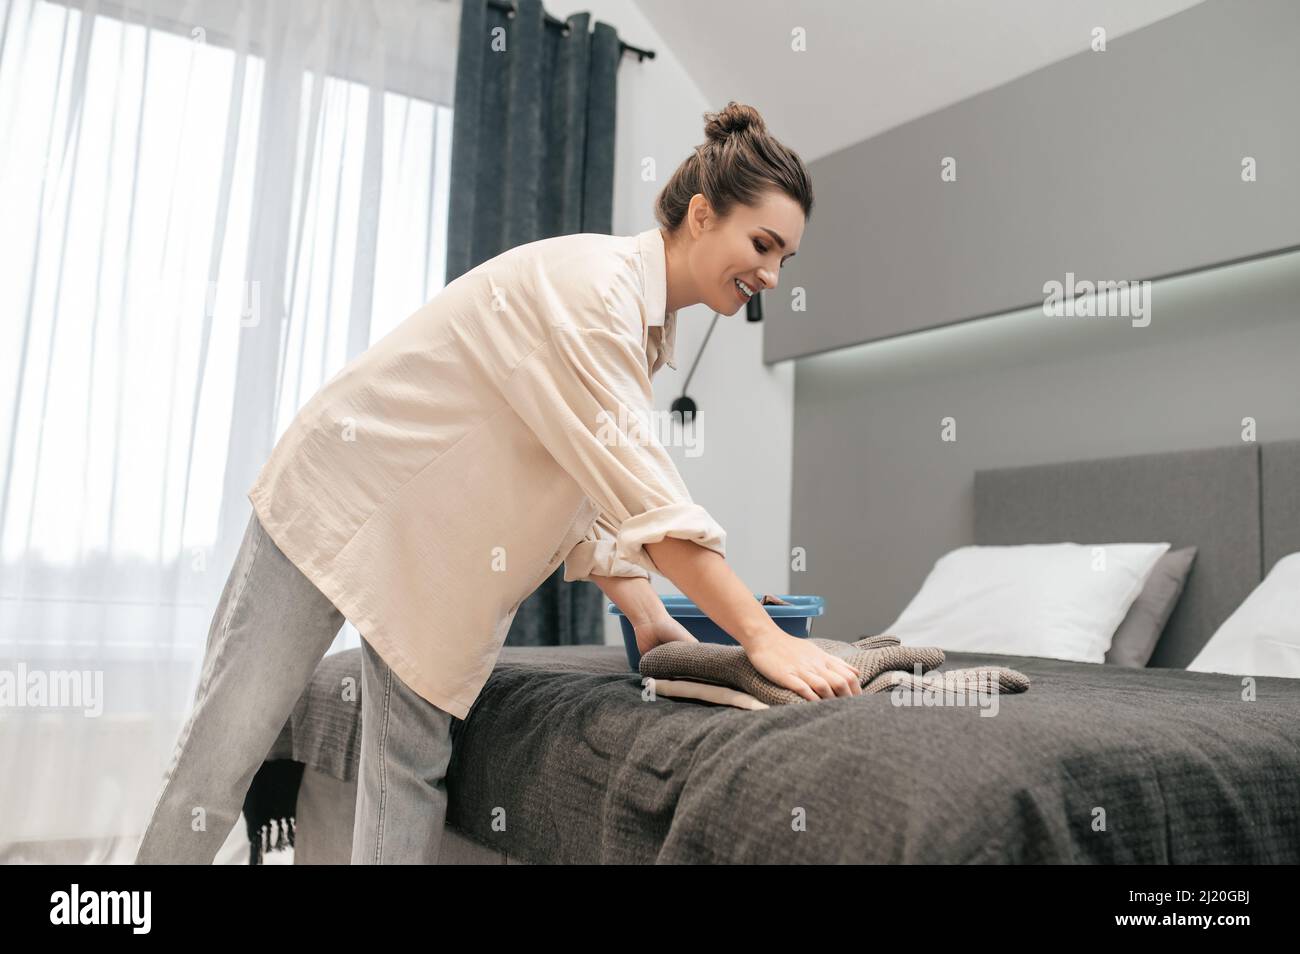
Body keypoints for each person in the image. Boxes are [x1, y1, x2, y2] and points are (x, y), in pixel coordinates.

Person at [135, 101, 860, 866]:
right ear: (704, 215)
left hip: (432, 552)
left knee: (409, 769)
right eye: (763, 245)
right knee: (229, 742)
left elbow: (588, 491)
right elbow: (653, 502)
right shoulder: (595, 295)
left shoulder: (639, 328)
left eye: (787, 260)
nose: (773, 276)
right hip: (344, 493)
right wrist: (762, 638)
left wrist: (646, 615)